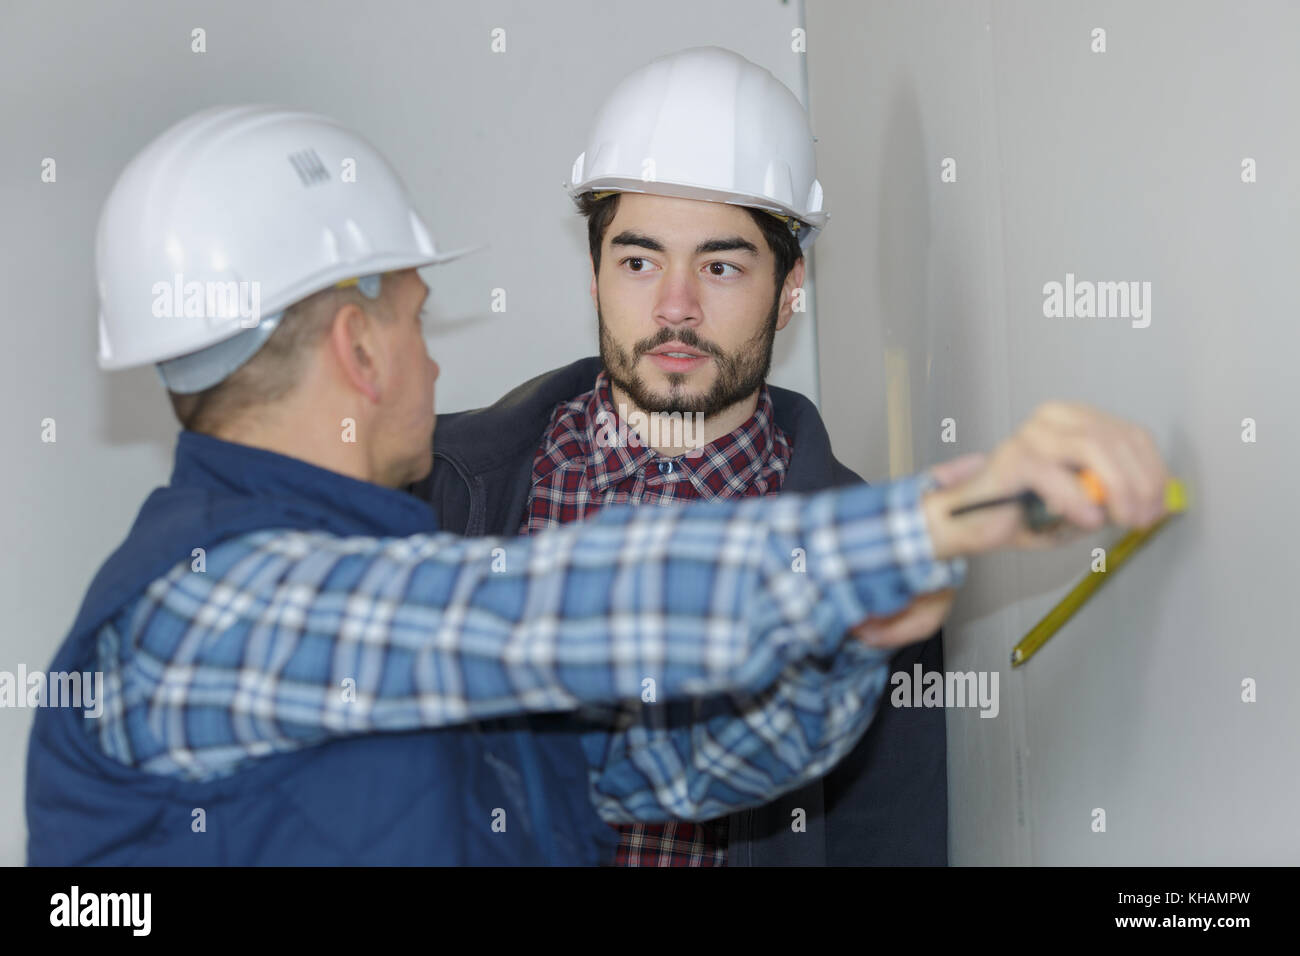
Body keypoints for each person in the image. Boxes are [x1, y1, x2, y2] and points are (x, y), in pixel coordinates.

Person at [27, 105, 1171, 866]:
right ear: (357, 350)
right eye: (420, 325)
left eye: (719, 261)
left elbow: (660, 768)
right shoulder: (209, 608)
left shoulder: (383, 603)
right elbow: (540, 610)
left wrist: (850, 640)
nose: (434, 363)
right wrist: (933, 517)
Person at [412, 45, 941, 865]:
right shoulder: (431, 486)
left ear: (790, 287)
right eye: (638, 260)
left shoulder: (868, 565)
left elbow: (887, 845)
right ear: (593, 273)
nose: (675, 308)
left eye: (721, 265)